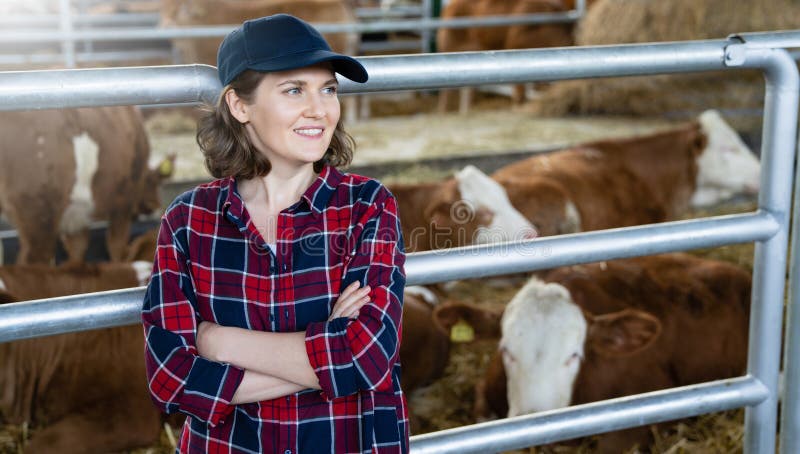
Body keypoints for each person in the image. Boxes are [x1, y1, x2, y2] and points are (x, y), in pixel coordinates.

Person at [141, 14, 408, 453]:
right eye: (293, 90)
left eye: (328, 89)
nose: (320, 109)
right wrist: (326, 348)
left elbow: (368, 357)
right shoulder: (189, 219)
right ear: (239, 105)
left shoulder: (367, 206)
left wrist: (218, 341)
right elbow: (170, 378)